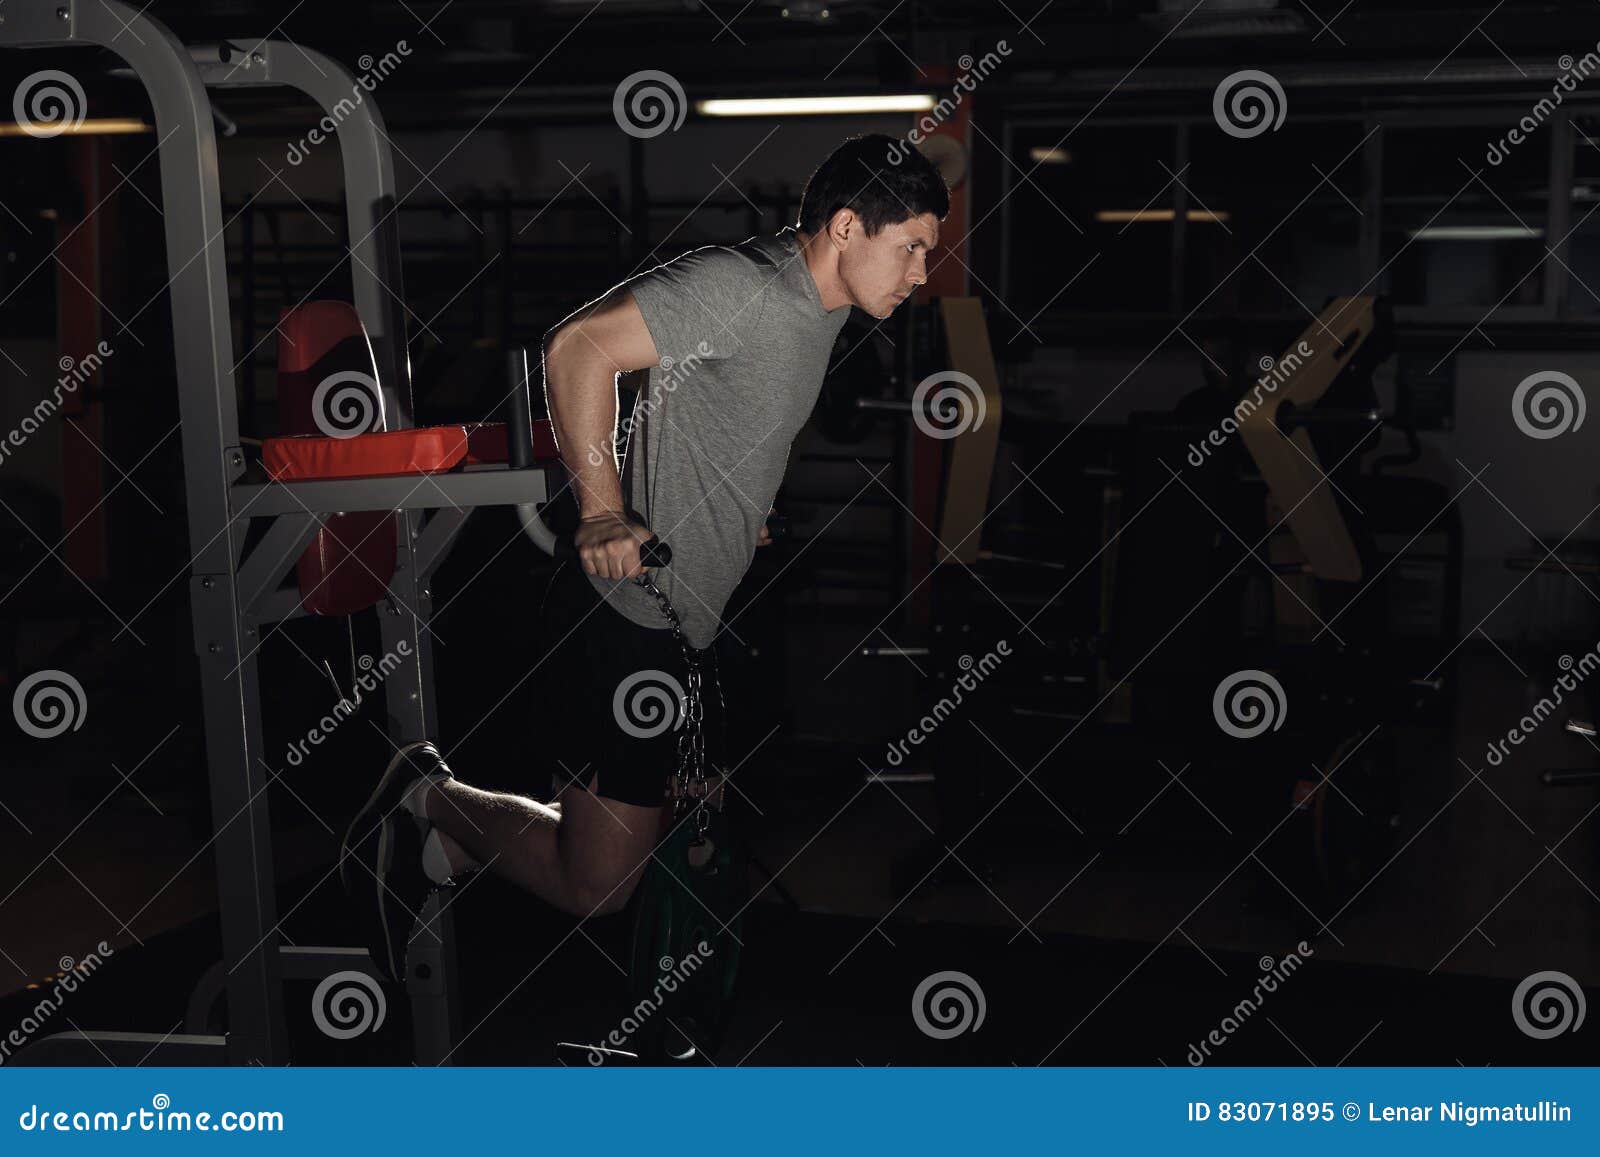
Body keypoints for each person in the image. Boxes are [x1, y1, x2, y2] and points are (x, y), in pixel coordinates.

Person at [340, 132, 949, 981]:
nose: (923, 272)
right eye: (912, 247)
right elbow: (579, 349)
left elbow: (722, 408)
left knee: (660, 845)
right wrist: (602, 511)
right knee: (602, 885)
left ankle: (442, 845)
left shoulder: (826, 306)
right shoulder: (743, 288)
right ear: (847, 227)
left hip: (685, 624)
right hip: (626, 617)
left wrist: (740, 508)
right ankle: (423, 795)